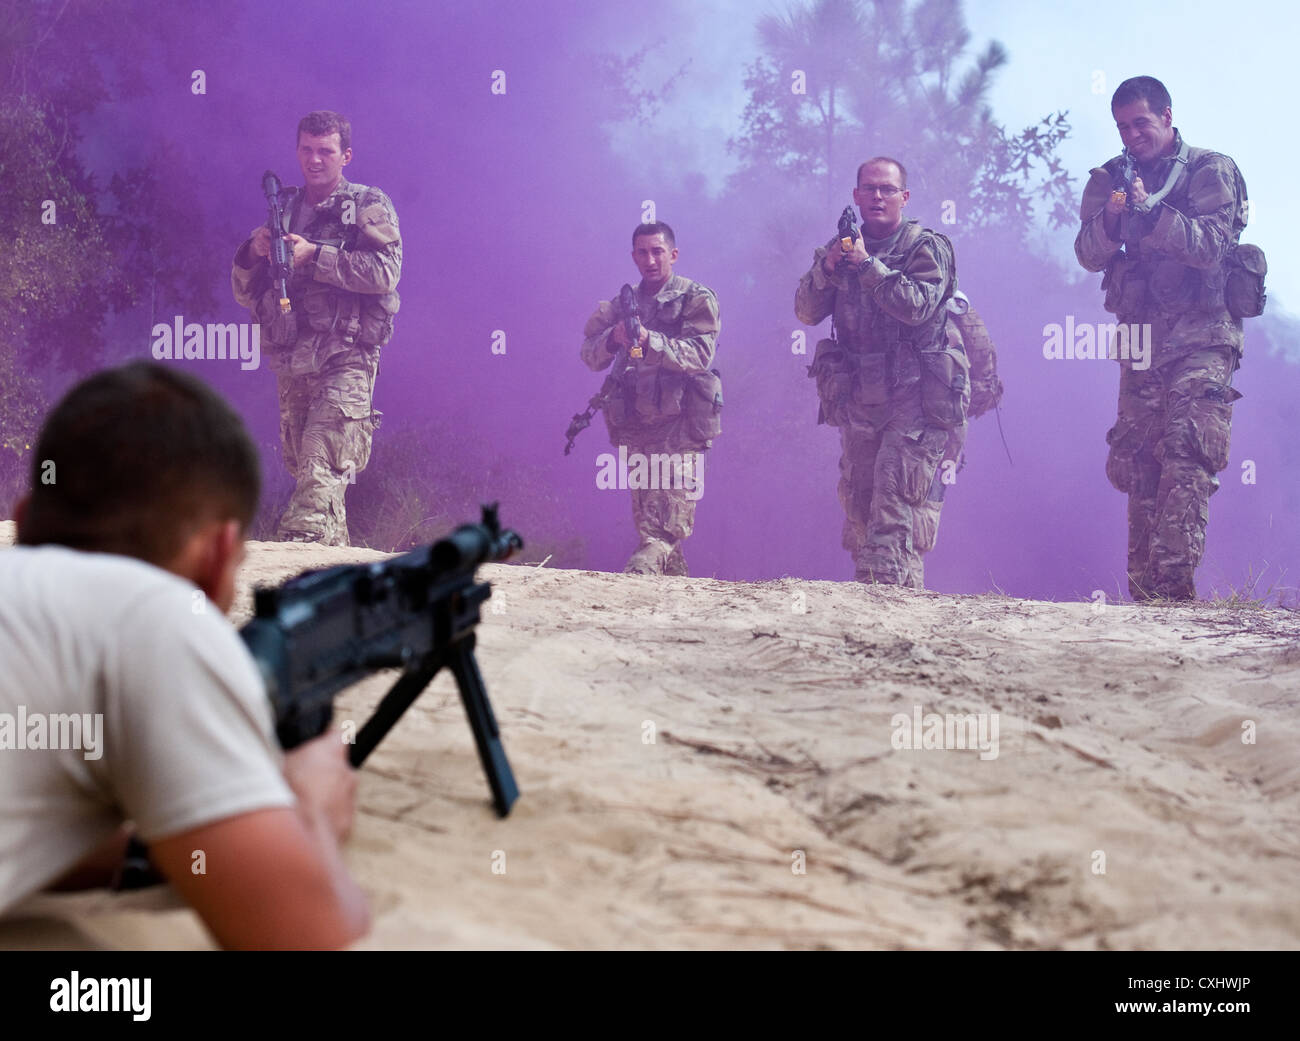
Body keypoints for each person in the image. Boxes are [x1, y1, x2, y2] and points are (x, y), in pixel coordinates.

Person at [0, 362, 369, 949]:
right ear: (219, 554)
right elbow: (308, 935)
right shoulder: (158, 614)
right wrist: (315, 796)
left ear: (20, 523)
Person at [1075, 76, 1257, 601]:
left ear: (1167, 116)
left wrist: (1151, 212)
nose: (1133, 136)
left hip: (1203, 337)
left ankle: (1173, 590)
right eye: (1123, 127)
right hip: (1141, 342)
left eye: (1142, 123)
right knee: (1140, 462)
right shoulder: (1109, 178)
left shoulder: (1209, 171)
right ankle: (1146, 599)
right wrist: (1111, 219)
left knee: (1188, 451)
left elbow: (1211, 248)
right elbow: (1087, 255)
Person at [232, 109, 400, 547]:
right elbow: (247, 292)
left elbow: (385, 272)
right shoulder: (282, 208)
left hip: (346, 356)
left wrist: (316, 256)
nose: (315, 159)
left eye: (325, 151)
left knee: (320, 464)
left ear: (346, 155)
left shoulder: (367, 204)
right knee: (308, 469)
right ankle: (333, 572)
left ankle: (295, 552)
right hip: (294, 359)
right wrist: (254, 251)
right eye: (306, 149)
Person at [796, 157, 963, 587]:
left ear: (904, 198)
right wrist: (829, 267)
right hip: (860, 399)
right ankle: (897, 611)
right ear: (855, 196)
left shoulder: (927, 247)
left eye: (887, 189)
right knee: (861, 509)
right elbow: (805, 311)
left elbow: (917, 307)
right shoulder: (837, 252)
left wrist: (868, 265)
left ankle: (883, 607)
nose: (877, 196)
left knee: (894, 506)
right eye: (869, 189)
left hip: (916, 399)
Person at [580, 222, 722, 575]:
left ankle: (641, 573)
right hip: (638, 425)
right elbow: (589, 354)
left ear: (673, 254)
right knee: (650, 517)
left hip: (681, 424)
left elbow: (700, 355)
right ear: (633, 257)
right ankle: (672, 599)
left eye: (658, 251)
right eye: (642, 252)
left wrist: (648, 340)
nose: (650, 259)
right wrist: (614, 339)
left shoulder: (696, 298)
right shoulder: (624, 303)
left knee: (662, 525)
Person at [911, 293, 1004, 579]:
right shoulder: (953, 301)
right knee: (922, 510)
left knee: (916, 510)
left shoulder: (914, 296)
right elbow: (984, 369)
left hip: (933, 422)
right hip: (948, 423)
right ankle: (902, 587)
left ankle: (899, 591)